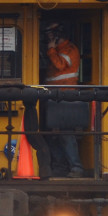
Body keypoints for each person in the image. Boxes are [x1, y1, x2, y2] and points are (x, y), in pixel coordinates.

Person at [44, 23, 84, 177]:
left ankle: (76, 167)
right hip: (53, 97)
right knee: (52, 134)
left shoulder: (70, 50)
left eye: (50, 34)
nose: (48, 38)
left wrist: (51, 49)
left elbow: (60, 65)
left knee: (66, 133)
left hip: (67, 98)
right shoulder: (55, 51)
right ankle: (59, 166)